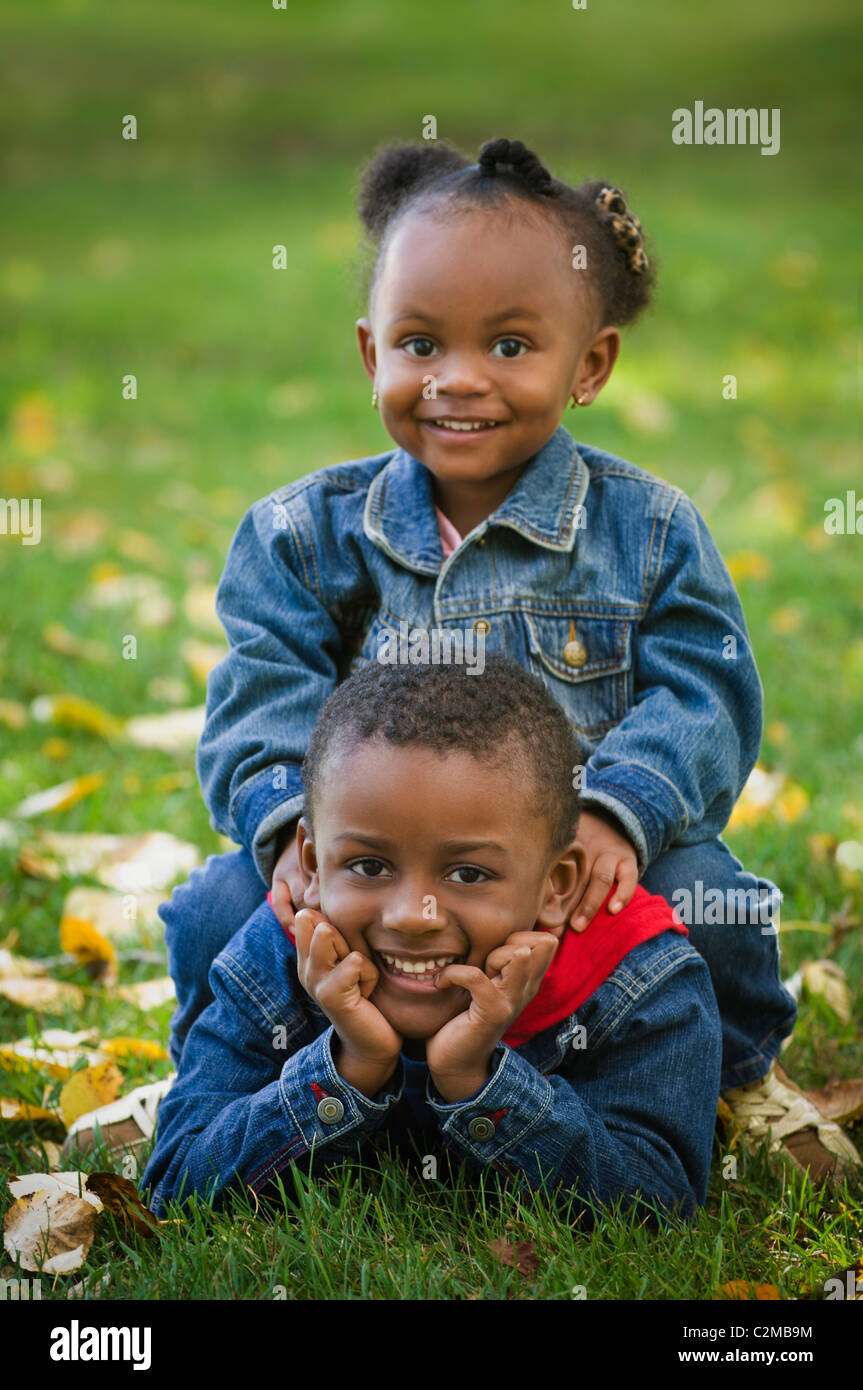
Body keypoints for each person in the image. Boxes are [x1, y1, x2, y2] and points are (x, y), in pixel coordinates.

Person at [66, 135, 858, 1185]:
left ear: (590, 364)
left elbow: (705, 690)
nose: (459, 381)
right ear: (369, 354)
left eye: (511, 347)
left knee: (702, 892)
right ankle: (236, 1073)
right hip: (381, 875)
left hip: (568, 875)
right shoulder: (302, 535)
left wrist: (617, 810)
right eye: (421, 344)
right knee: (221, 905)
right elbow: (261, 700)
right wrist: (290, 827)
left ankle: (723, 1072)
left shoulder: (650, 531)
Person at [141, 658, 722, 1221]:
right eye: (369, 866)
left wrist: (479, 1080)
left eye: (468, 874)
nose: (413, 916)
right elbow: (175, 1186)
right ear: (313, 868)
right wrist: (350, 1066)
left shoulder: (632, 976)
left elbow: (659, 1205)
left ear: (556, 884)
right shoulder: (282, 951)